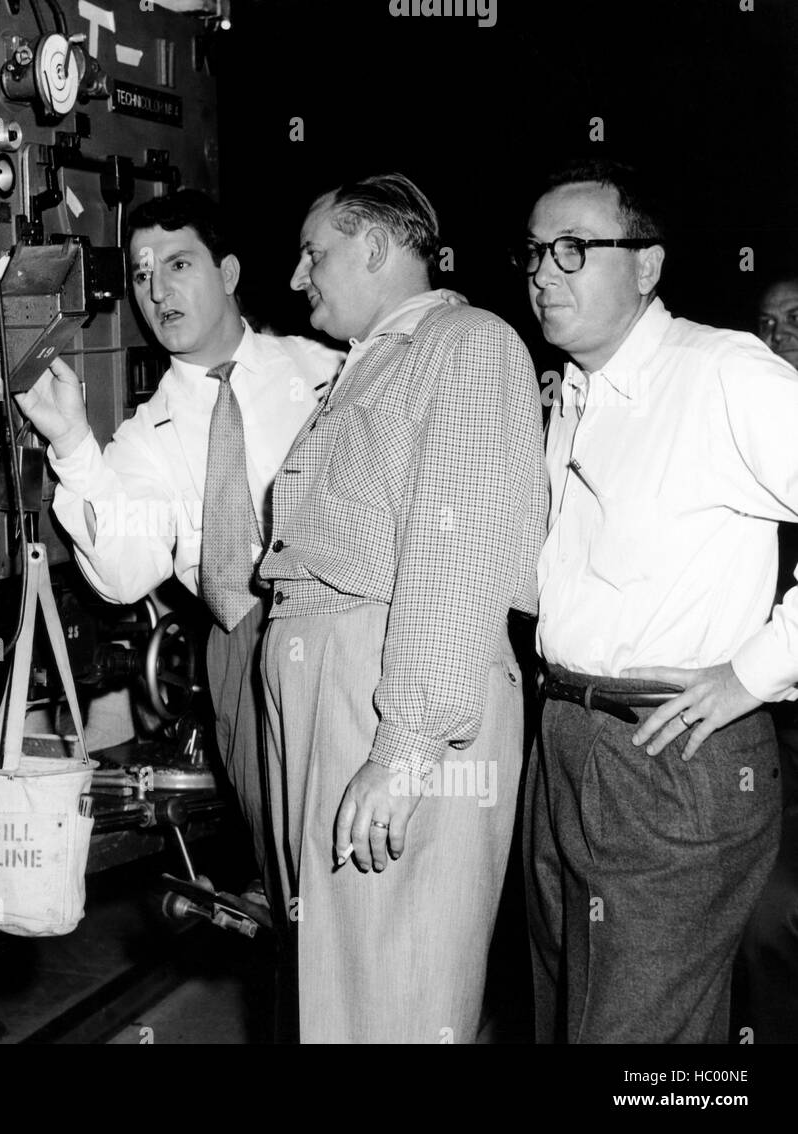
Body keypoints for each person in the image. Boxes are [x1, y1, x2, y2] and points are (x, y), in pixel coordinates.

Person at [258, 173, 547, 1043]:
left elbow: (455, 557)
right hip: (336, 691)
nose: (300, 278)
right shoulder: (370, 367)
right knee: (341, 990)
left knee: (397, 994)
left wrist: (406, 748)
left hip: (388, 689)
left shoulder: (466, 343)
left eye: (316, 254)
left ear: (376, 248)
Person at [524, 160, 798, 1043]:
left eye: (574, 249)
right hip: (564, 744)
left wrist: (753, 673)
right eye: (532, 253)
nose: (542, 273)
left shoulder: (722, 372)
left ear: (647, 266)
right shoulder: (573, 392)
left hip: (669, 758)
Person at [16, 189, 342, 896]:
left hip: (347, 633)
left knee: (364, 861)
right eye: (139, 274)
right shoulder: (146, 437)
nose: (156, 290)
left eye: (178, 264)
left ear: (227, 272)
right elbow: (126, 572)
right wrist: (73, 443)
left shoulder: (323, 374)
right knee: (293, 879)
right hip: (243, 655)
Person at [734, 271, 798, 1044]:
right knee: (765, 914)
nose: (777, 335)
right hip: (768, 734)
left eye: (795, 319)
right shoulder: (742, 430)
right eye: (766, 322)